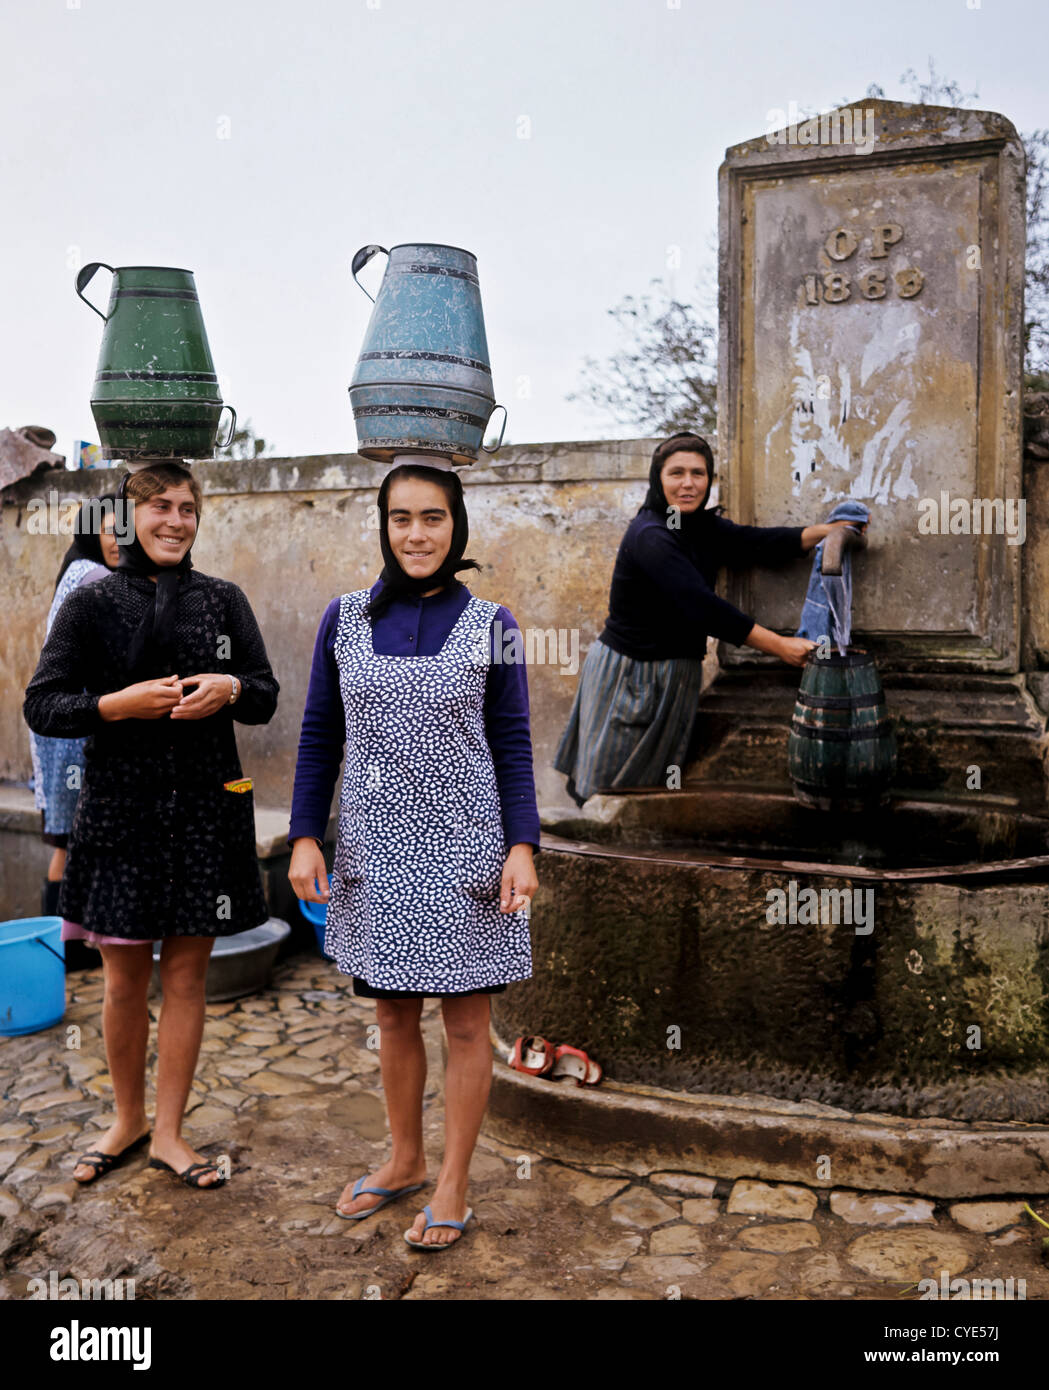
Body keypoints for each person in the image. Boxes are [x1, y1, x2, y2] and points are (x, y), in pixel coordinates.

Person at [287, 461, 539, 1250]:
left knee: (466, 1022)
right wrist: (303, 833)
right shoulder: (346, 617)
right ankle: (402, 1158)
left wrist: (523, 846)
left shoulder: (493, 624)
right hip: (374, 849)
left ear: (455, 526)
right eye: (401, 519)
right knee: (393, 1013)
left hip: (468, 849)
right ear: (383, 526)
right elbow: (319, 732)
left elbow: (512, 744)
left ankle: (454, 1180)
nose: (416, 534)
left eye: (432, 518)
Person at [23, 464, 278, 1190]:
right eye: (160, 506)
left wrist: (229, 686)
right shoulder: (94, 603)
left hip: (204, 811)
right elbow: (44, 703)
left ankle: (169, 1132)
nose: (175, 520)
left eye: (187, 508)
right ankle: (126, 1119)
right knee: (124, 978)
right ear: (128, 515)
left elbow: (262, 695)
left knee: (189, 977)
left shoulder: (222, 602)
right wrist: (114, 705)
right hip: (122, 815)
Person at [554, 432, 862, 806]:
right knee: (608, 786)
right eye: (676, 473)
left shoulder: (700, 527)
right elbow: (700, 605)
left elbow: (757, 542)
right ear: (658, 479)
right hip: (631, 676)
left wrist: (828, 533)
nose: (688, 483)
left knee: (646, 792)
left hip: (675, 675)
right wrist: (780, 646)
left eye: (698, 474)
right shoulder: (650, 535)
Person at [30, 496, 120, 950]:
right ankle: (72, 945)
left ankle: (59, 945)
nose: (119, 540)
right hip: (76, 730)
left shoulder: (72, 570)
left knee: (64, 841)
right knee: (74, 841)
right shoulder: (97, 577)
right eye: (110, 531)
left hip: (57, 729)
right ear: (91, 534)